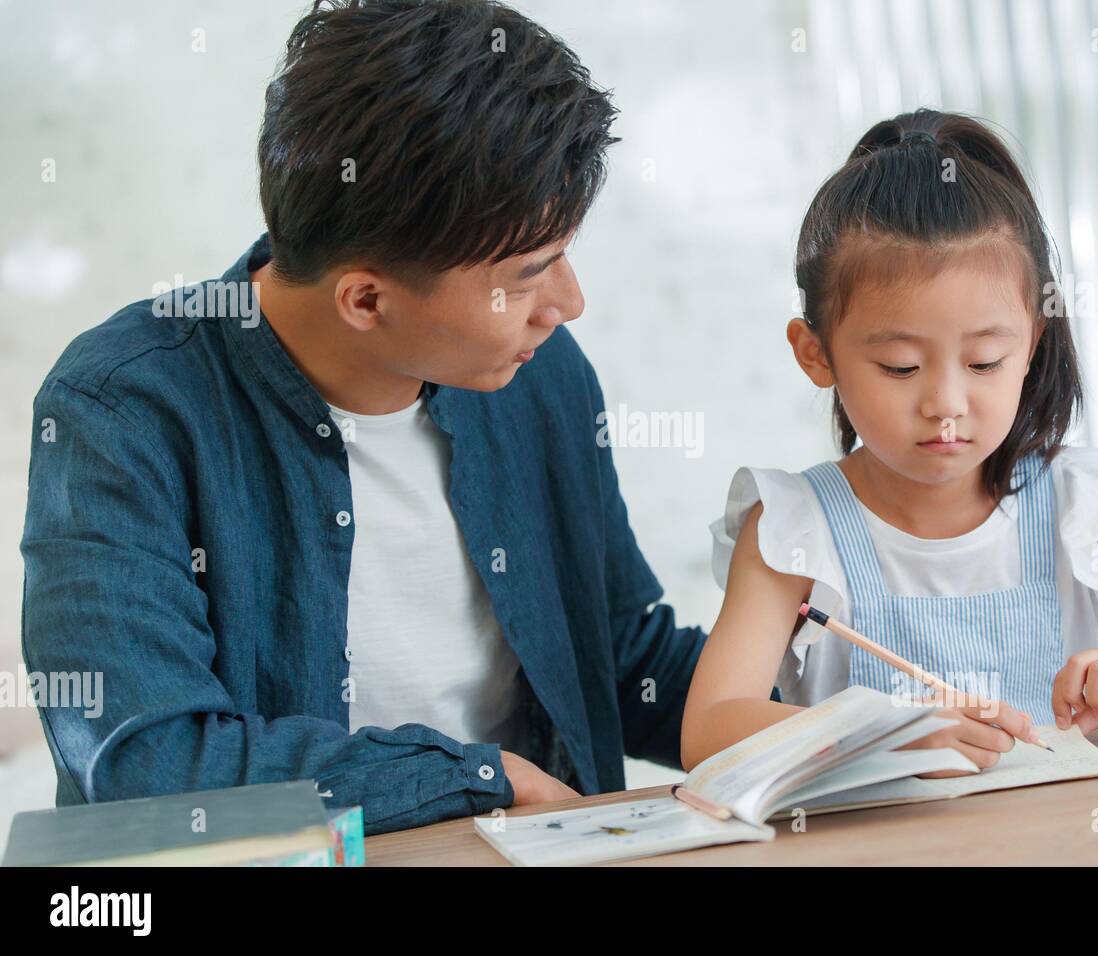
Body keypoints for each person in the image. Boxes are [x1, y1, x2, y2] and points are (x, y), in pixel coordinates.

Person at [20, 0, 718, 835]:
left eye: (563, 255)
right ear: (364, 298)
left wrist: (826, 715)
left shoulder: (541, 376)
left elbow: (612, 658)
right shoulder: (121, 408)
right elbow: (147, 765)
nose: (568, 305)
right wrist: (472, 778)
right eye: (530, 275)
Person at [681, 109, 1098, 773]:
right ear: (816, 354)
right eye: (900, 368)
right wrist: (886, 733)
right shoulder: (795, 530)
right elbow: (711, 730)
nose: (945, 403)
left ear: (1033, 342)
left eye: (983, 363)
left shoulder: (1073, 504)